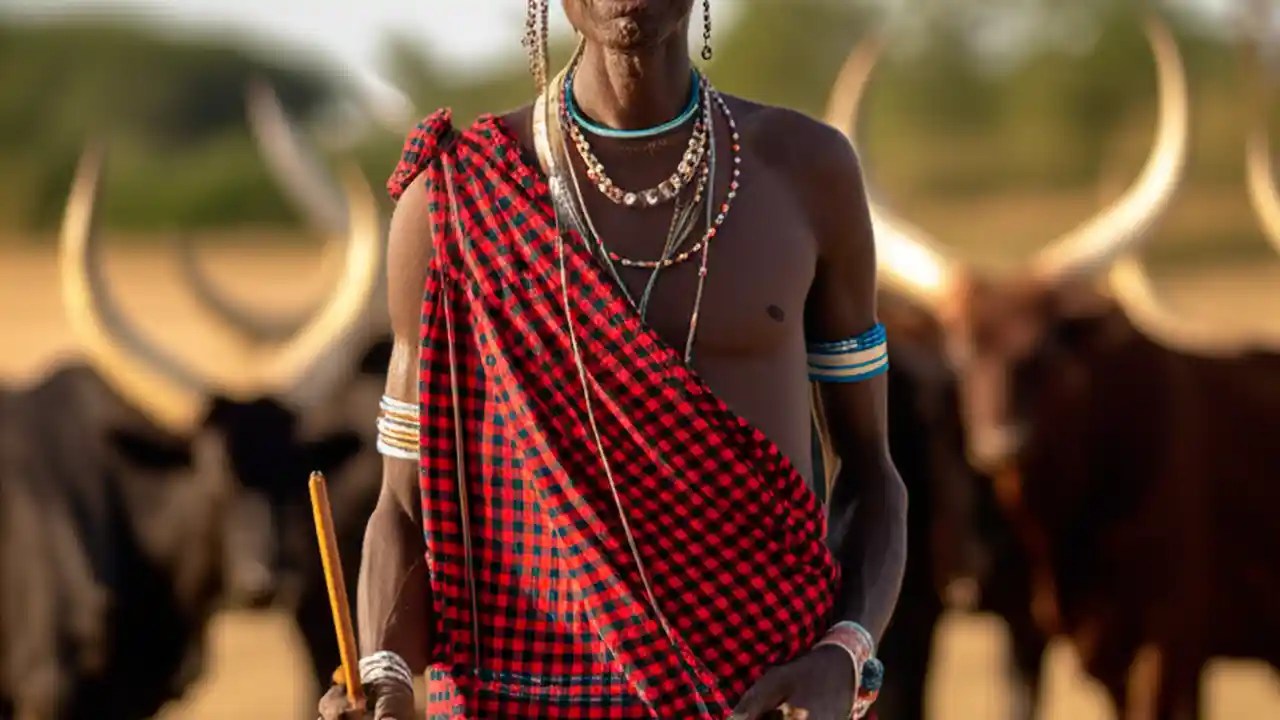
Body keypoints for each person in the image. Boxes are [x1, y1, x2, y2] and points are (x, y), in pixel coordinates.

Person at [318, 1, 907, 718]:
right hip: (519, 700)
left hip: (755, 697)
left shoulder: (808, 173)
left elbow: (872, 474)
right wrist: (382, 673)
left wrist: (842, 652)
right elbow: (403, 504)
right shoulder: (453, 198)